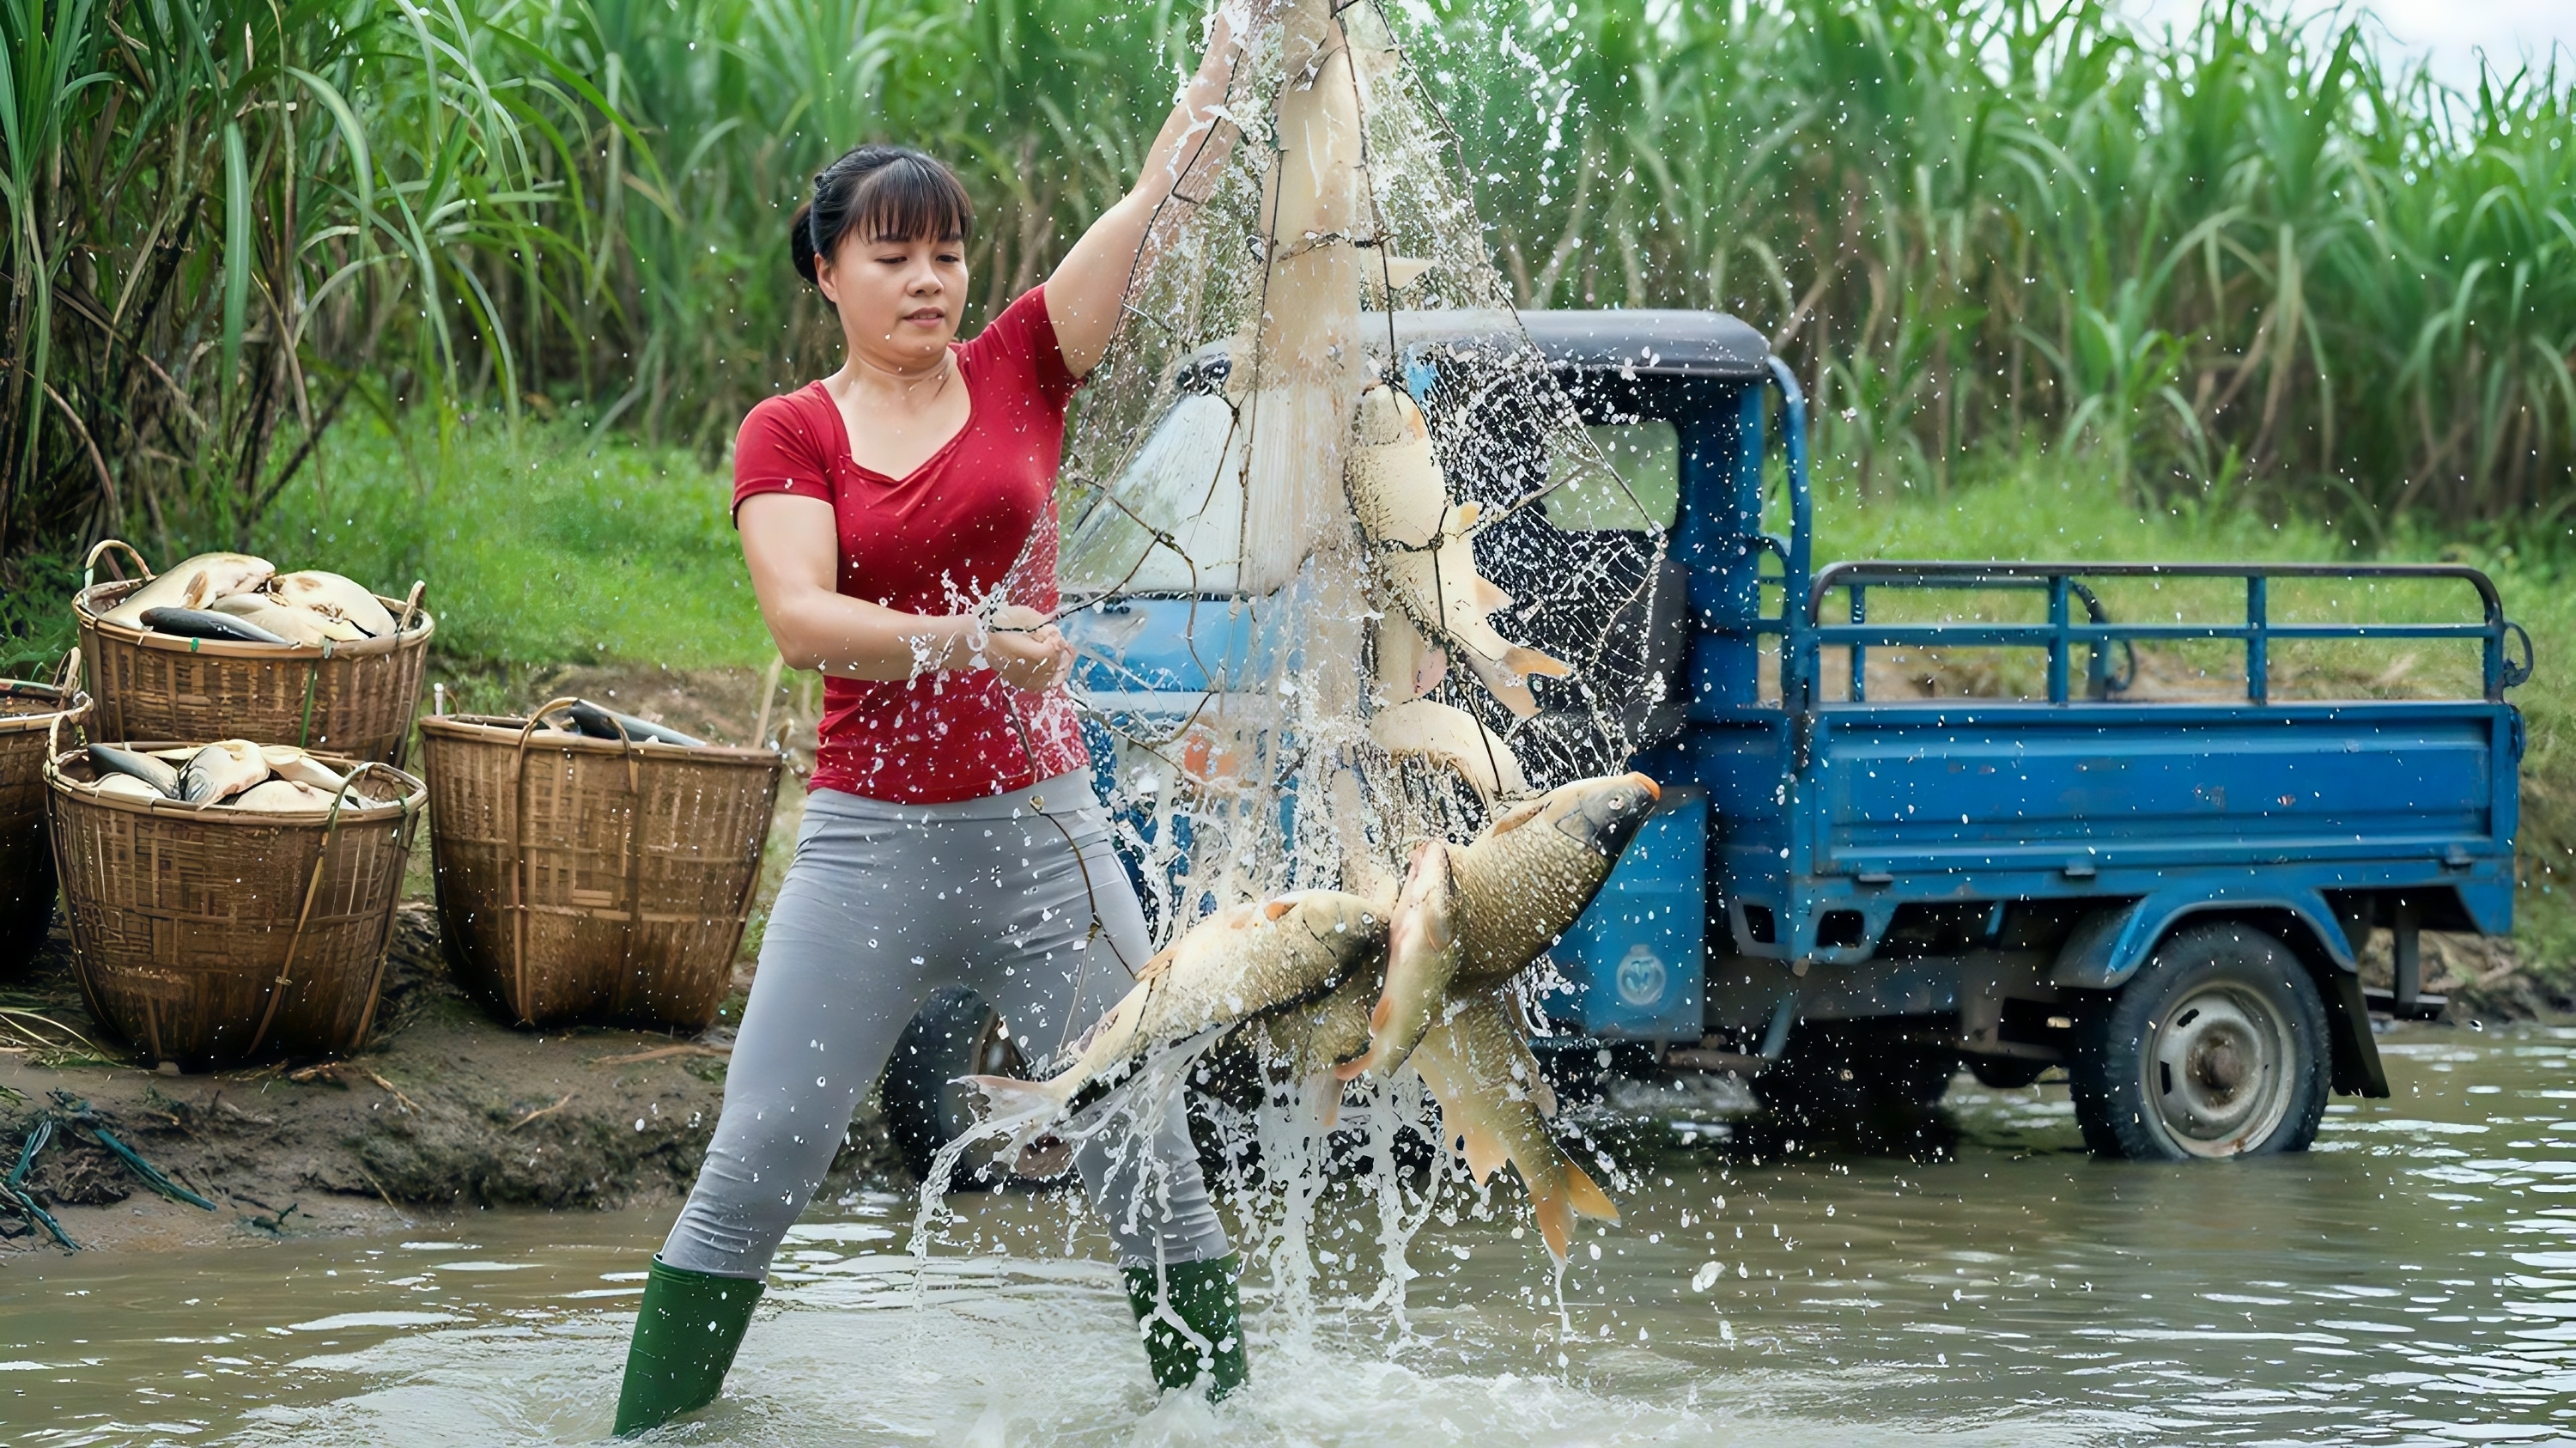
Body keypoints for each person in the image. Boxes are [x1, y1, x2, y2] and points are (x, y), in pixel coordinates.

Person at [611, 15, 1260, 1436]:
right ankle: (643, 1430)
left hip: (1049, 844)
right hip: (864, 849)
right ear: (828, 271)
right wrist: (968, 638)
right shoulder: (793, 433)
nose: (927, 279)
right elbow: (798, 615)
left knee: (1147, 1152)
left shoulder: (1028, 358)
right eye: (893, 254)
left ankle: (1226, 1423)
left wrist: (1226, 68)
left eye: (947, 251)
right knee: (764, 1152)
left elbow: (1157, 208)